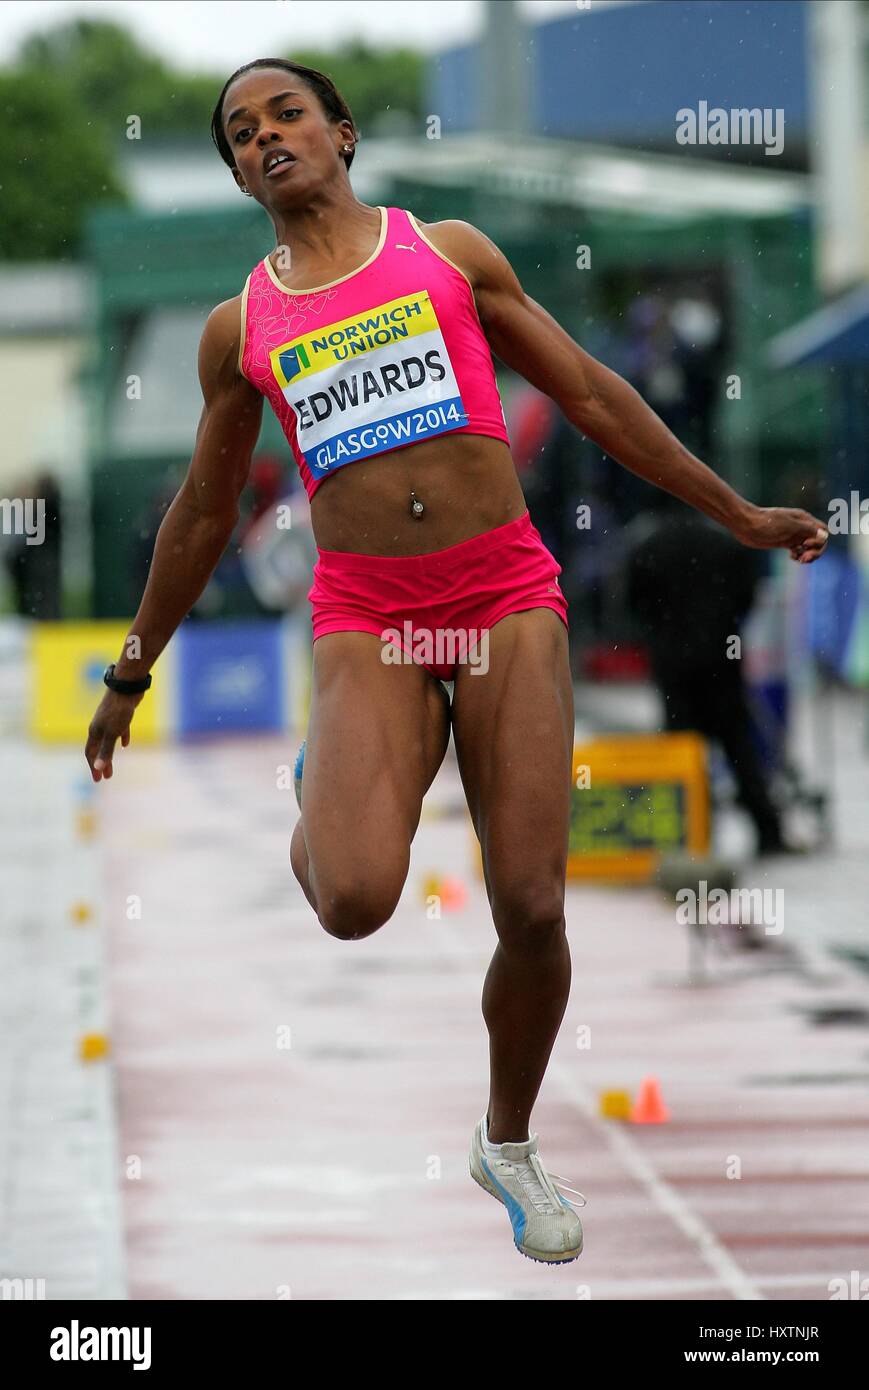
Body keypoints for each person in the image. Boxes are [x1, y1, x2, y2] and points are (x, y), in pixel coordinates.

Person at [84, 59, 829, 1265]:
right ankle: (324, 795)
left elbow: (587, 393)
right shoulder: (243, 327)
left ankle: (508, 1138)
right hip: (367, 614)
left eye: (286, 116)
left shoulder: (448, 255)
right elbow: (200, 514)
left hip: (501, 594)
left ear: (342, 134)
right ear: (233, 171)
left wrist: (735, 511)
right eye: (239, 132)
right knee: (352, 901)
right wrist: (130, 670)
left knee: (531, 902)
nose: (265, 138)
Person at [625, 497, 790, 856]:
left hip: (673, 663)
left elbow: (632, 603)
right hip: (721, 659)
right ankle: (768, 831)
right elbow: (748, 596)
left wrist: (661, 633)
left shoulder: (648, 546)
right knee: (738, 745)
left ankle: (690, 833)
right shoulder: (724, 542)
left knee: (682, 750)